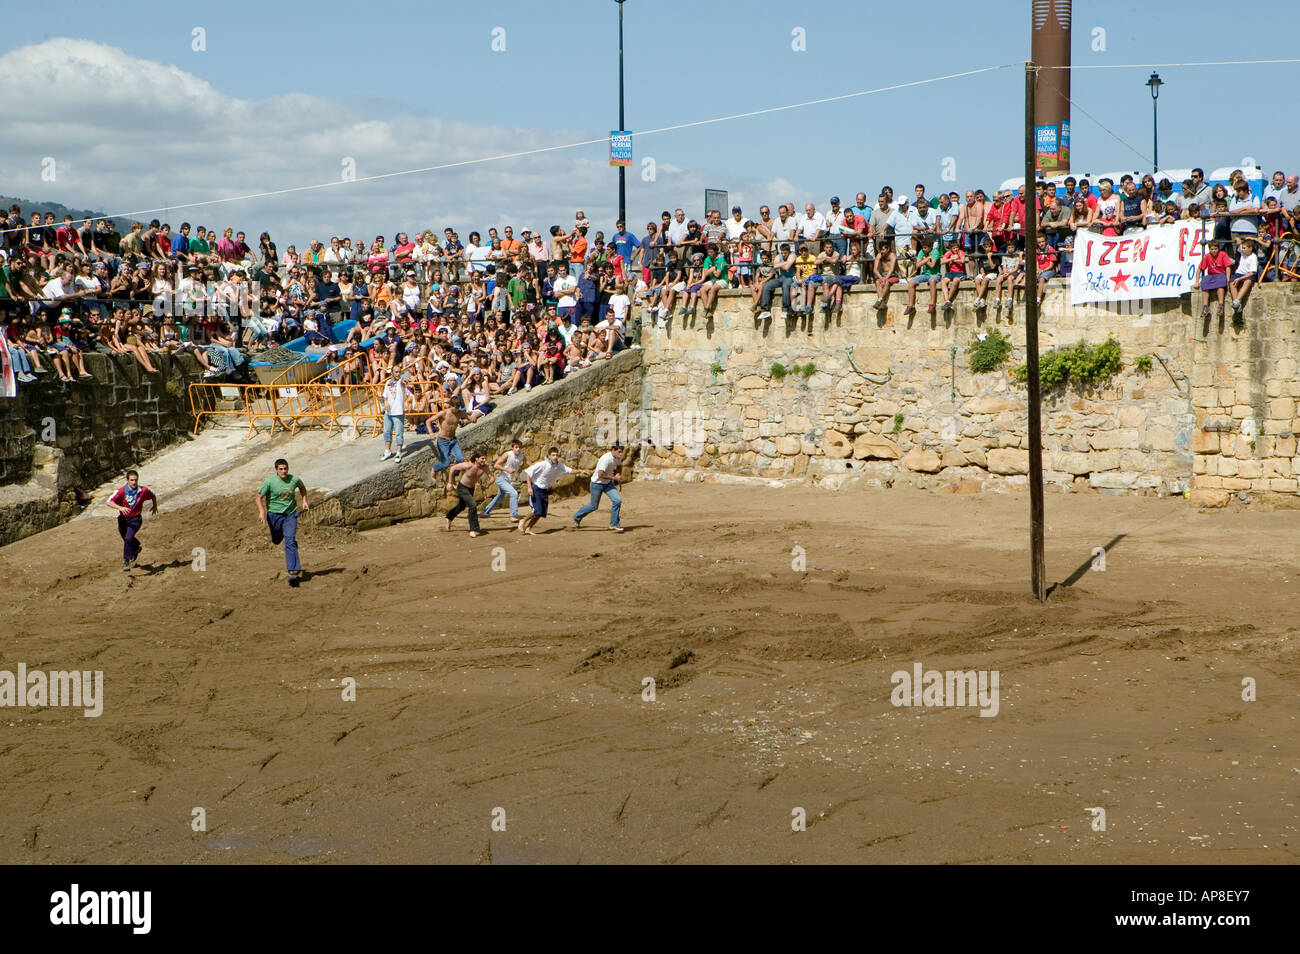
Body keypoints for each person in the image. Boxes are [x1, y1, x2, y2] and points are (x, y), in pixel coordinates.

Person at [256, 458, 311, 586]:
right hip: (274, 516)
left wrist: (304, 500)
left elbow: (302, 488)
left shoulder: (294, 479)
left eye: (285, 468)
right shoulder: (269, 482)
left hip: (290, 515)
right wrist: (261, 511)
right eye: (281, 469)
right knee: (276, 540)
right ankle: (285, 541)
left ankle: (293, 571)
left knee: (289, 540)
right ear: (276, 470)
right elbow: (258, 498)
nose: (284, 471)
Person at [518, 447, 588, 536]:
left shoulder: (559, 465)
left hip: (544, 490)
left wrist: (580, 471)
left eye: (556, 455)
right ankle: (523, 520)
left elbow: (569, 470)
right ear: (549, 456)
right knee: (536, 511)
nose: (555, 457)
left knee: (541, 513)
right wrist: (529, 487)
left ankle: (528, 528)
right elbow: (528, 473)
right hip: (536, 489)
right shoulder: (542, 464)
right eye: (553, 455)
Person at [108, 469, 158, 571]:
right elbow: (109, 502)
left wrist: (155, 506)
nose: (134, 482)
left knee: (128, 538)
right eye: (131, 480)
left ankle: (126, 561)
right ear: (127, 480)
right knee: (125, 537)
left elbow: (153, 494)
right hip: (122, 519)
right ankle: (136, 547)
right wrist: (120, 508)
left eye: (135, 480)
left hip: (135, 519)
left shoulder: (143, 491)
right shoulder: (121, 491)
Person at [572, 442, 625, 532]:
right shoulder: (605, 459)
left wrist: (618, 473)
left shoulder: (618, 457)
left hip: (608, 484)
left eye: (621, 452)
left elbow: (619, 466)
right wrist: (614, 478)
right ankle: (577, 517)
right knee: (593, 506)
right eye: (619, 452)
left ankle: (614, 524)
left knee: (617, 500)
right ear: (613, 450)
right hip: (597, 484)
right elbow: (600, 474)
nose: (621, 454)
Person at [444, 451, 489, 537]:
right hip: (462, 487)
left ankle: (449, 517)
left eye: (485, 458)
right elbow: (453, 468)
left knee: (462, 506)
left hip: (471, 489)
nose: (484, 460)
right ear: (476, 458)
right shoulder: (468, 465)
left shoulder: (485, 467)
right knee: (473, 505)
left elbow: (491, 476)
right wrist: (450, 482)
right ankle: (473, 529)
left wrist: (491, 480)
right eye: (482, 458)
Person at [483, 439, 526, 522]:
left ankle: (484, 512)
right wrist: (507, 470)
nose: (518, 449)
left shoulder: (522, 455)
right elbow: (496, 465)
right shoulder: (507, 454)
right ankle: (513, 515)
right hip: (502, 479)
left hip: (508, 481)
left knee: (499, 497)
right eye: (516, 447)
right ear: (512, 448)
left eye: (519, 447)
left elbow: (528, 463)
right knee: (514, 493)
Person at [431, 405, 470, 476]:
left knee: (460, 459)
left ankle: (453, 476)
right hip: (443, 441)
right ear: (451, 406)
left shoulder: (460, 413)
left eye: (458, 408)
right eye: (455, 408)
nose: (456, 411)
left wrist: (473, 419)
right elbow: (428, 421)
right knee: (446, 463)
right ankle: (434, 469)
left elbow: (470, 418)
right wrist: (431, 432)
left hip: (453, 440)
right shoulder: (444, 413)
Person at [380, 371, 407, 463]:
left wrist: (404, 380)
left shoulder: (401, 382)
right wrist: (385, 402)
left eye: (398, 372)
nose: (397, 373)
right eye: (396, 372)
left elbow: (403, 381)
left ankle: (399, 452)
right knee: (386, 432)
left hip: (398, 412)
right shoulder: (388, 382)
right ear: (392, 373)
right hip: (388, 412)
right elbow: (384, 395)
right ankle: (387, 451)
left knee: (399, 433)